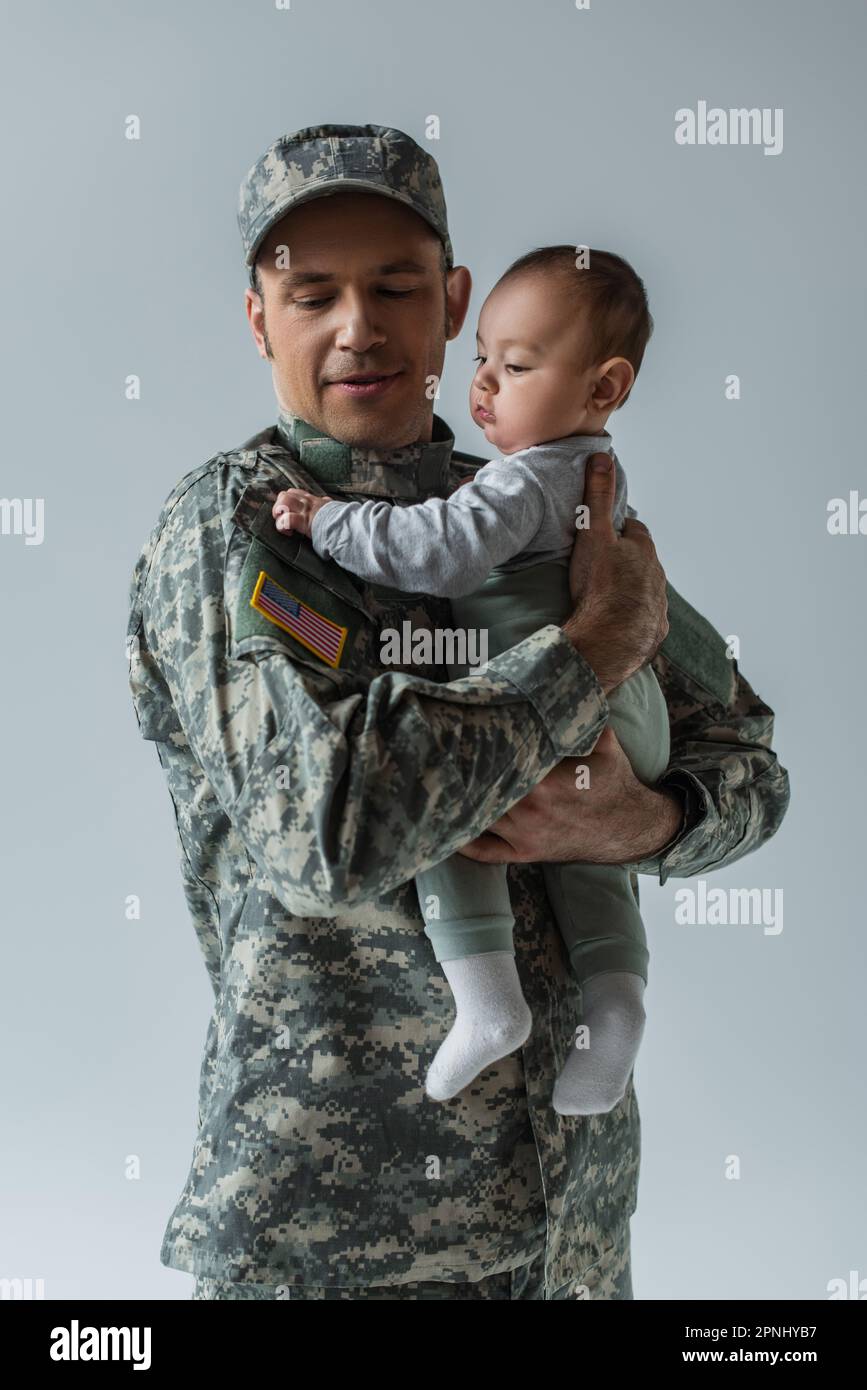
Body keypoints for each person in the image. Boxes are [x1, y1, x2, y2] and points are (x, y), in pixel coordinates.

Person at [126, 124, 790, 1300]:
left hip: (566, 1225)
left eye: (394, 287)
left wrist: (645, 822)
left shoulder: (543, 498)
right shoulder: (236, 526)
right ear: (257, 320)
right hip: (339, 1238)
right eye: (311, 292)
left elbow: (747, 764)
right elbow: (330, 829)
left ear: (453, 302)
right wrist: (585, 655)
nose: (357, 327)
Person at [270, 243, 671, 1114]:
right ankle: (616, 1008)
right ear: (260, 319)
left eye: (516, 365)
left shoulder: (518, 480)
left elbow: (441, 551)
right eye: (485, 356)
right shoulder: (601, 484)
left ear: (603, 389)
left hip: (551, 708)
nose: (483, 383)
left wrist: (330, 520)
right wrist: (637, 812)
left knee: (448, 812)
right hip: (631, 717)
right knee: (587, 853)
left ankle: (488, 1002)